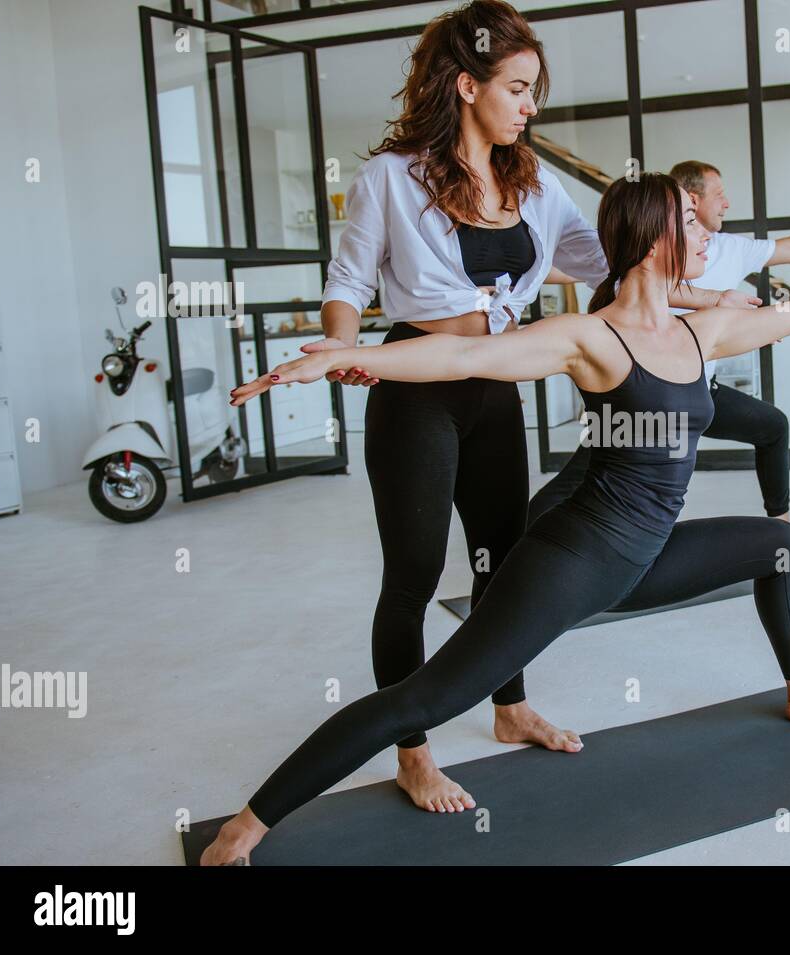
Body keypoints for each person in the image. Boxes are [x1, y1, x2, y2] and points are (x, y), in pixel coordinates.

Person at [201, 172, 790, 864]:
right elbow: (459, 360)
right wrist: (336, 357)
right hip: (574, 562)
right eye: (694, 227)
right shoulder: (591, 338)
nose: (708, 240)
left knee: (779, 544)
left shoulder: (702, 331)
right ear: (657, 238)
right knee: (426, 697)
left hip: (646, 557)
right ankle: (250, 824)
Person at [311, 0, 753, 813]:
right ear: (466, 84)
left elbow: (615, 262)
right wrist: (341, 348)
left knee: (500, 558)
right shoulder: (389, 179)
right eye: (517, 87)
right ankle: (411, 748)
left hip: (495, 392)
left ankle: (508, 707)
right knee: (411, 575)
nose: (530, 105)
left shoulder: (537, 184)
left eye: (534, 89)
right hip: (415, 391)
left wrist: (713, 291)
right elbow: (347, 284)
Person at [530, 160, 790, 553]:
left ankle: (783, 529)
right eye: (717, 196)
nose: (726, 203)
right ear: (691, 200)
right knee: (589, 476)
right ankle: (525, 550)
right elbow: (625, 280)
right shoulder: (653, 254)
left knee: (771, 426)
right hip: (645, 393)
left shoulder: (729, 249)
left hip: (699, 387)